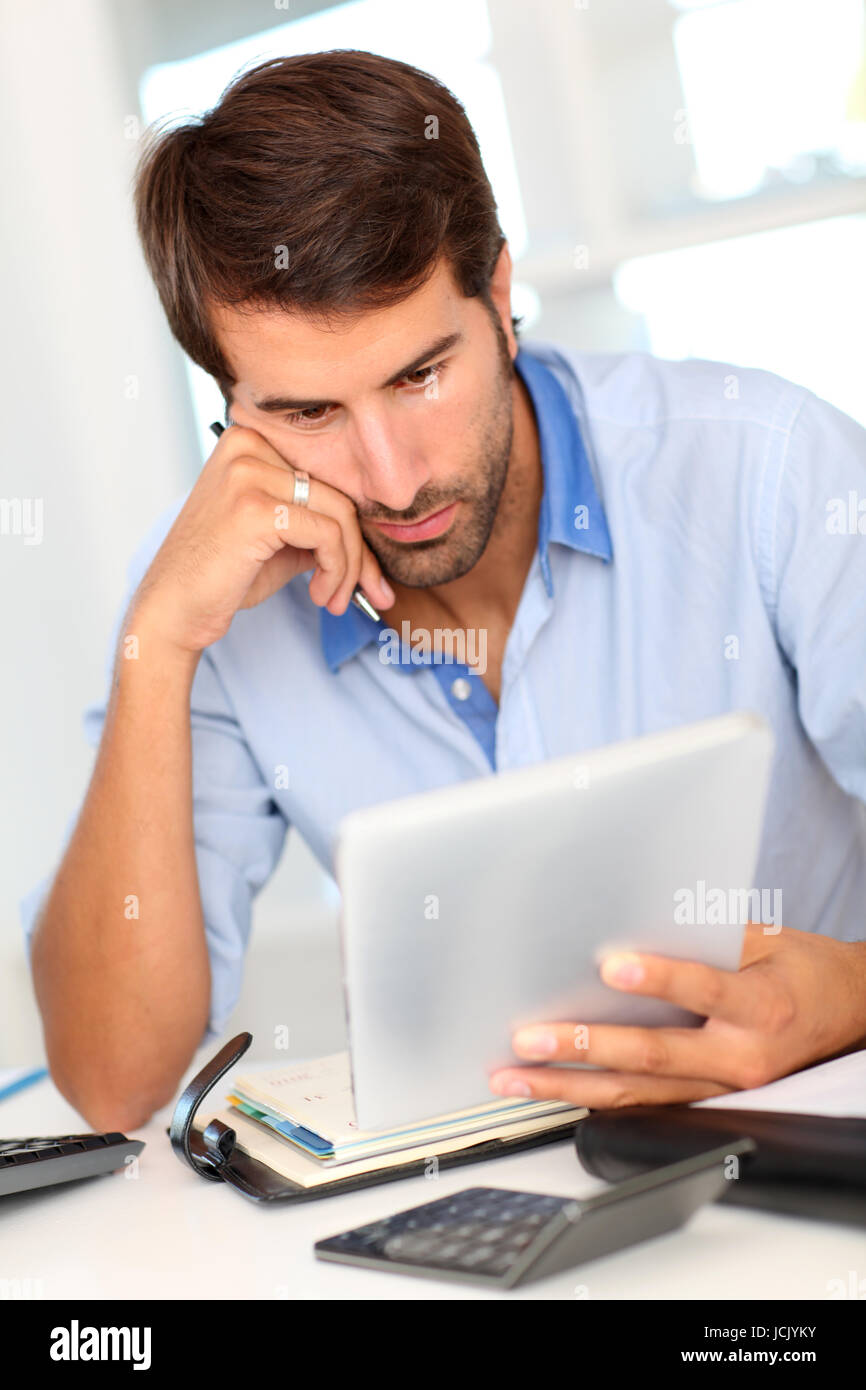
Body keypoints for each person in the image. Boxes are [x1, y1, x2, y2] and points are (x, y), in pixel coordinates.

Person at [23, 50, 866, 1131]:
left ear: (500, 297)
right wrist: (156, 643)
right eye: (306, 413)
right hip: (469, 1215)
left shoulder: (766, 471)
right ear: (228, 404)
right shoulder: (211, 597)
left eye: (418, 375)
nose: (390, 476)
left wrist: (845, 994)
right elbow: (112, 1079)